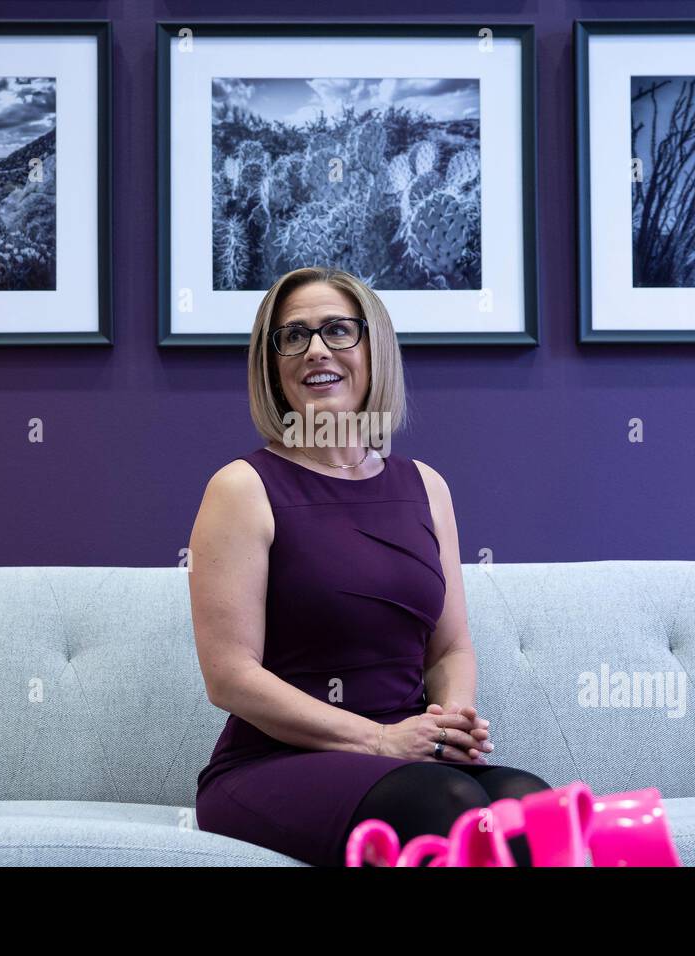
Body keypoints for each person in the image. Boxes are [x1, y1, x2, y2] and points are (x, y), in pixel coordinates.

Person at [190, 266, 550, 866]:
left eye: (338, 330)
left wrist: (450, 725)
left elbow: (450, 649)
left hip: (413, 758)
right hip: (274, 764)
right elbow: (229, 675)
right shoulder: (242, 488)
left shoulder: (425, 487)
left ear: (373, 347)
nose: (316, 350)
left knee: (529, 805)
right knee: (444, 804)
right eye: (293, 336)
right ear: (273, 365)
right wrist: (379, 740)